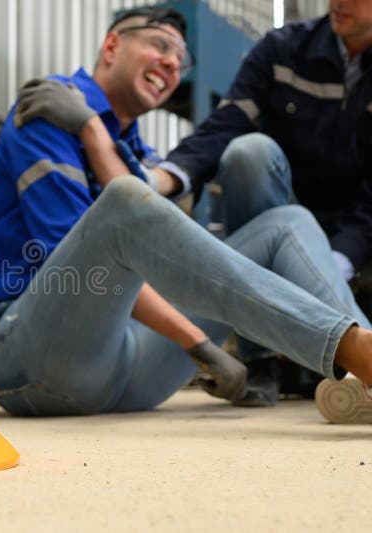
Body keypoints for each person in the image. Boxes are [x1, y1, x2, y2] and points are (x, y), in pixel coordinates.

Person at [0, 6, 372, 418]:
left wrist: (97, 135)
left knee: (288, 223)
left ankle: (363, 368)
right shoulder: (50, 106)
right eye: (160, 45)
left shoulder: (137, 152)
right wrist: (198, 342)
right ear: (111, 45)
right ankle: (348, 347)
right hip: (31, 359)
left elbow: (176, 260)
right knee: (125, 200)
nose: (173, 63)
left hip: (123, 366)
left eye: (181, 58)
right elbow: (78, 250)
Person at [160, 0, 372, 410]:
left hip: (356, 235)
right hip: (276, 209)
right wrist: (167, 177)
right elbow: (225, 125)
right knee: (247, 153)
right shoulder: (282, 50)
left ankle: (354, 363)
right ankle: (261, 360)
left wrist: (329, 263)